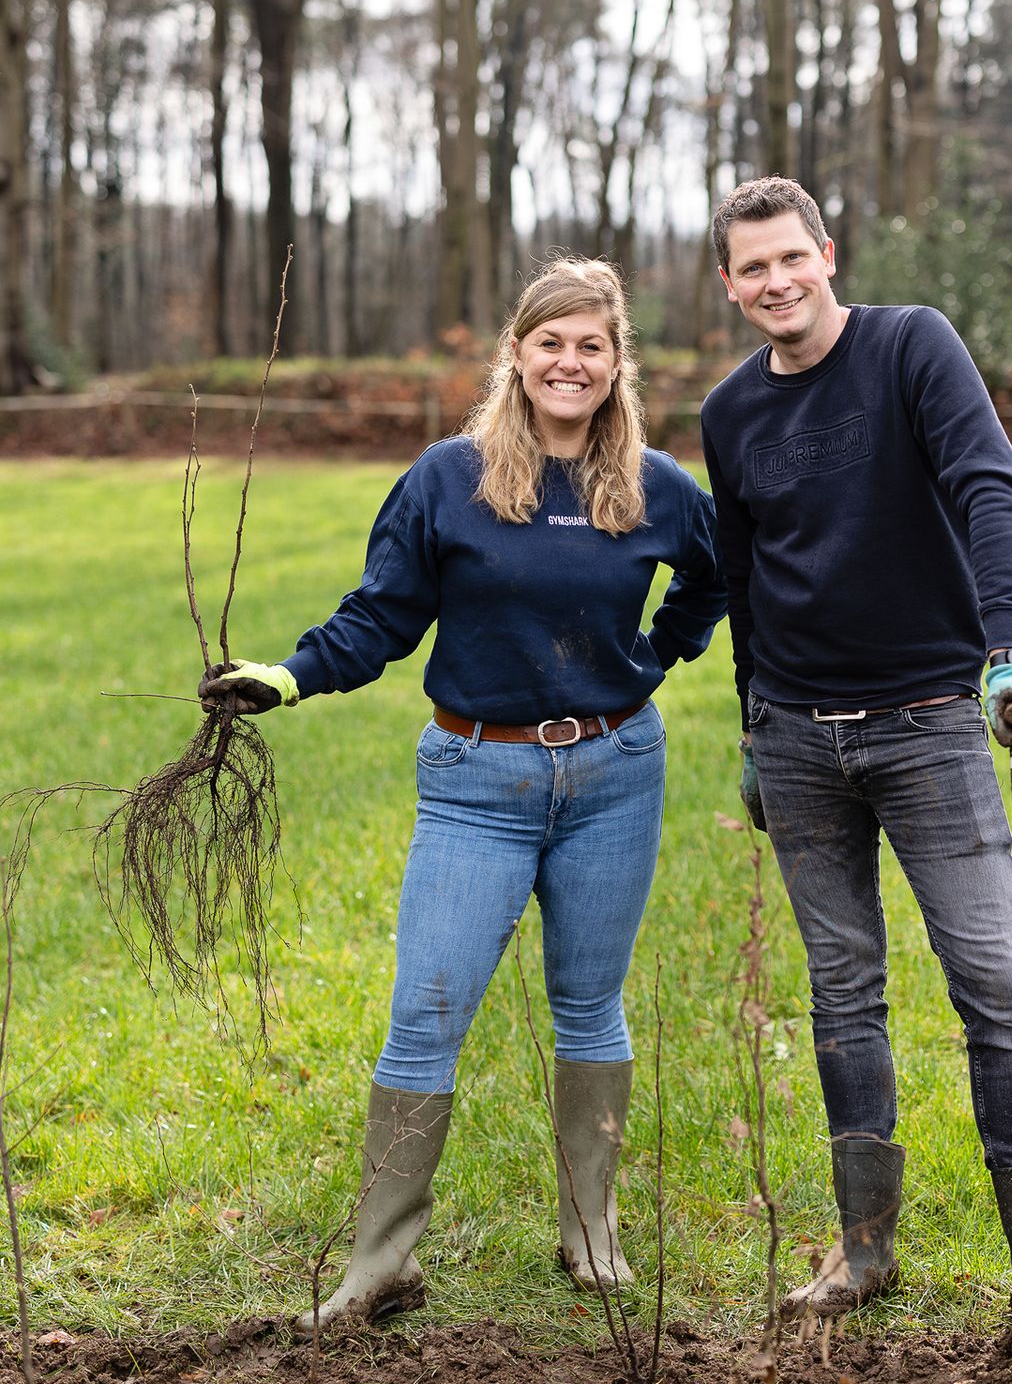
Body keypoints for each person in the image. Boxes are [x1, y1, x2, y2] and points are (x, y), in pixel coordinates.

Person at [199, 257, 725, 1327]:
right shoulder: (449, 477)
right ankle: (381, 1262)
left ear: (618, 362)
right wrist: (292, 675)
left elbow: (717, 577)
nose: (569, 362)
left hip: (615, 775)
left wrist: (661, 653)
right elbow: (380, 616)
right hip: (474, 779)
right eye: (551, 342)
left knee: (589, 1003)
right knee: (425, 1012)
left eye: (591, 345)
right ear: (517, 354)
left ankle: (592, 1235)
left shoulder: (658, 488)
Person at [699, 177, 1012, 1319]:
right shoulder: (728, 412)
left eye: (789, 259)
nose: (774, 283)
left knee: (996, 991)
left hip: (930, 727)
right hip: (799, 741)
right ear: (728, 285)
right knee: (843, 992)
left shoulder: (911, 349)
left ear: (827, 253)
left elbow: (993, 491)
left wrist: (1010, 648)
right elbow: (742, 579)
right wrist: (754, 721)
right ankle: (864, 1253)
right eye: (751, 269)